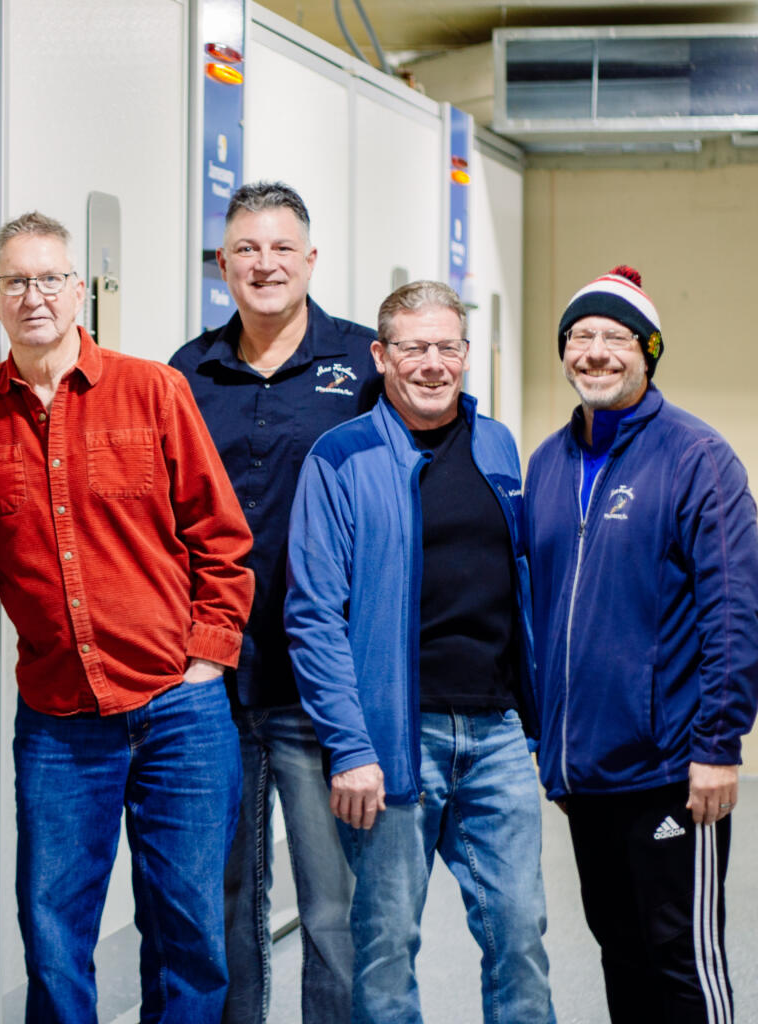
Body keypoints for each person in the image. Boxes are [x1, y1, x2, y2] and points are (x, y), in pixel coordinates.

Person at [0, 211, 255, 1021]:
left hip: (180, 708)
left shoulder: (152, 389)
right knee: (54, 933)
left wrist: (206, 657)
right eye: (18, 282)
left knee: (190, 931)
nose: (36, 296)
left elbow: (221, 534)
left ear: (79, 293)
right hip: (61, 719)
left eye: (51, 278)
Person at [285, 280, 553, 1024]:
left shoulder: (497, 444)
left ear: (466, 355)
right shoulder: (339, 458)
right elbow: (311, 617)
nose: (432, 365)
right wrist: (349, 747)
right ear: (381, 356)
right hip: (395, 744)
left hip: (496, 735)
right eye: (413, 348)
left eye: (446, 347)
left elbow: (521, 581)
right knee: (385, 944)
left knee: (520, 933)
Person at [526, 266, 758, 1023]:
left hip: (666, 768)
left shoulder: (697, 456)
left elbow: (734, 608)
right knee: (618, 954)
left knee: (682, 958)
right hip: (584, 770)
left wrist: (719, 744)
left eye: (615, 338)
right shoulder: (549, 464)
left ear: (648, 352)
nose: (595, 353)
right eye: (580, 337)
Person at [169, 181, 374, 1024]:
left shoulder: (363, 364)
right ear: (223, 264)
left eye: (281, 248)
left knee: (332, 910)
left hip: (319, 684)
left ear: (311, 260)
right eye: (246, 249)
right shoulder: (188, 370)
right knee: (226, 905)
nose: (264, 264)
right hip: (212, 679)